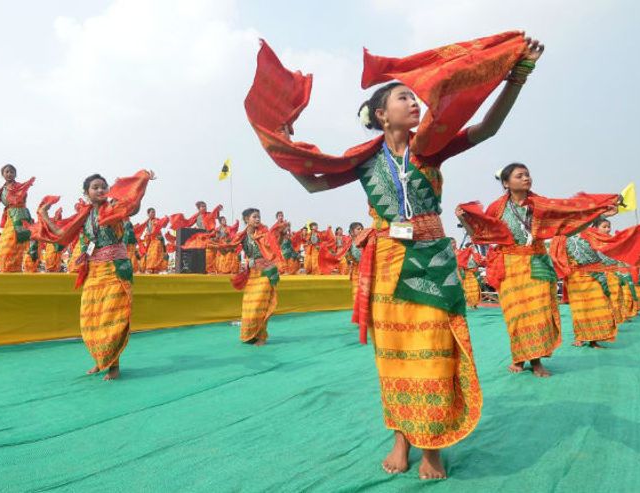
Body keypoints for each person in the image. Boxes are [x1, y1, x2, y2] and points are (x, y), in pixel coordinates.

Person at [245, 31, 542, 479]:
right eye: (405, 98)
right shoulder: (364, 160)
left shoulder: (433, 148)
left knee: (435, 350)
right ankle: (401, 437)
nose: (415, 103)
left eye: (416, 98)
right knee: (395, 353)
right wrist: (283, 144)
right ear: (382, 114)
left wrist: (516, 76)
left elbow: (487, 128)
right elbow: (313, 182)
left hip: (432, 261)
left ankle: (432, 446)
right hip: (386, 262)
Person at [458, 163, 620, 375]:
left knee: (539, 314)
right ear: (506, 183)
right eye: (519, 175)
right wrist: (462, 218)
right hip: (510, 268)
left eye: (527, 174)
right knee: (516, 316)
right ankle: (519, 357)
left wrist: (596, 212)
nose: (526, 178)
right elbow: (480, 234)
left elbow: (567, 226)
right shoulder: (496, 208)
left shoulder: (540, 205)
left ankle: (536, 362)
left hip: (537, 263)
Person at [34, 170, 153, 381]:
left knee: (112, 317)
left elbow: (133, 206)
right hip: (94, 271)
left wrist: (142, 181)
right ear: (87, 193)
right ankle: (100, 360)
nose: (100, 190)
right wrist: (43, 214)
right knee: (91, 318)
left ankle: (113, 364)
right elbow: (61, 234)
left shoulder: (115, 207)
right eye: (95, 187)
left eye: (103, 186)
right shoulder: (84, 215)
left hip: (116, 270)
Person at [230, 208, 281, 345]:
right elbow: (230, 247)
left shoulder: (264, 234)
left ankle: (261, 337)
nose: (258, 219)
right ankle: (251, 334)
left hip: (266, 272)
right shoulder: (242, 236)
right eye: (254, 217)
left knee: (261, 305)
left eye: (259, 216)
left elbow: (273, 249)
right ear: (247, 219)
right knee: (249, 306)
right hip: (252, 273)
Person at [0, 164, 35, 272]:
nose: (9, 174)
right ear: (2, 174)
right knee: (4, 245)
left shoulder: (20, 186)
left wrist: (16, 195)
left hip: (19, 216)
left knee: (15, 244)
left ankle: (13, 269)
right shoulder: (2, 190)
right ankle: (10, 269)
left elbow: (23, 197)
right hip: (9, 217)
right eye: (7, 172)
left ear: (15, 174)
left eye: (12, 172)